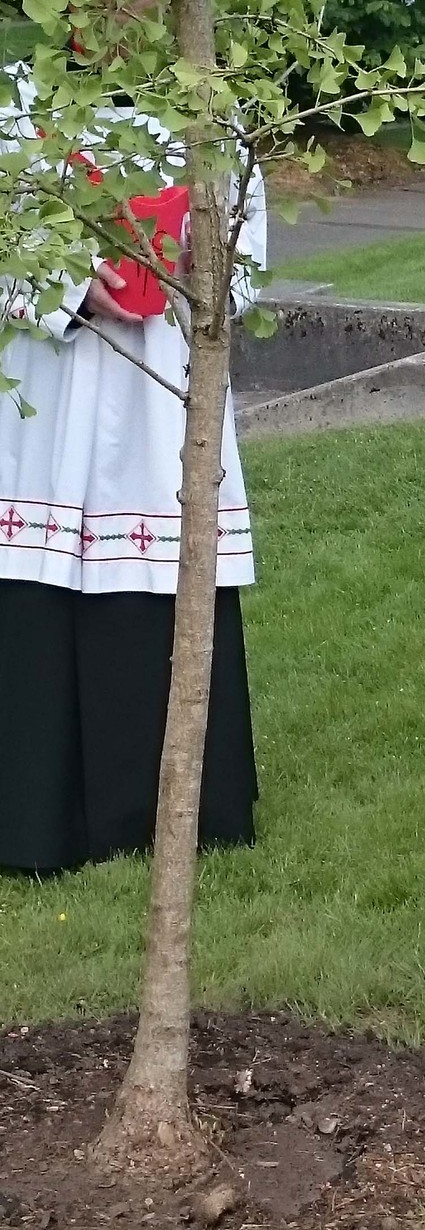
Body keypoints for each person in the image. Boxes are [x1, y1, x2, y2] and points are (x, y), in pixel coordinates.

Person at [0, 50, 265, 873]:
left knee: (160, 574)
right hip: (50, 397)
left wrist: (197, 265)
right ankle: (35, 817)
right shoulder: (16, 102)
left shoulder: (209, 110)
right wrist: (70, 286)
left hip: (164, 401)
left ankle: (175, 811)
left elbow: (247, 263)